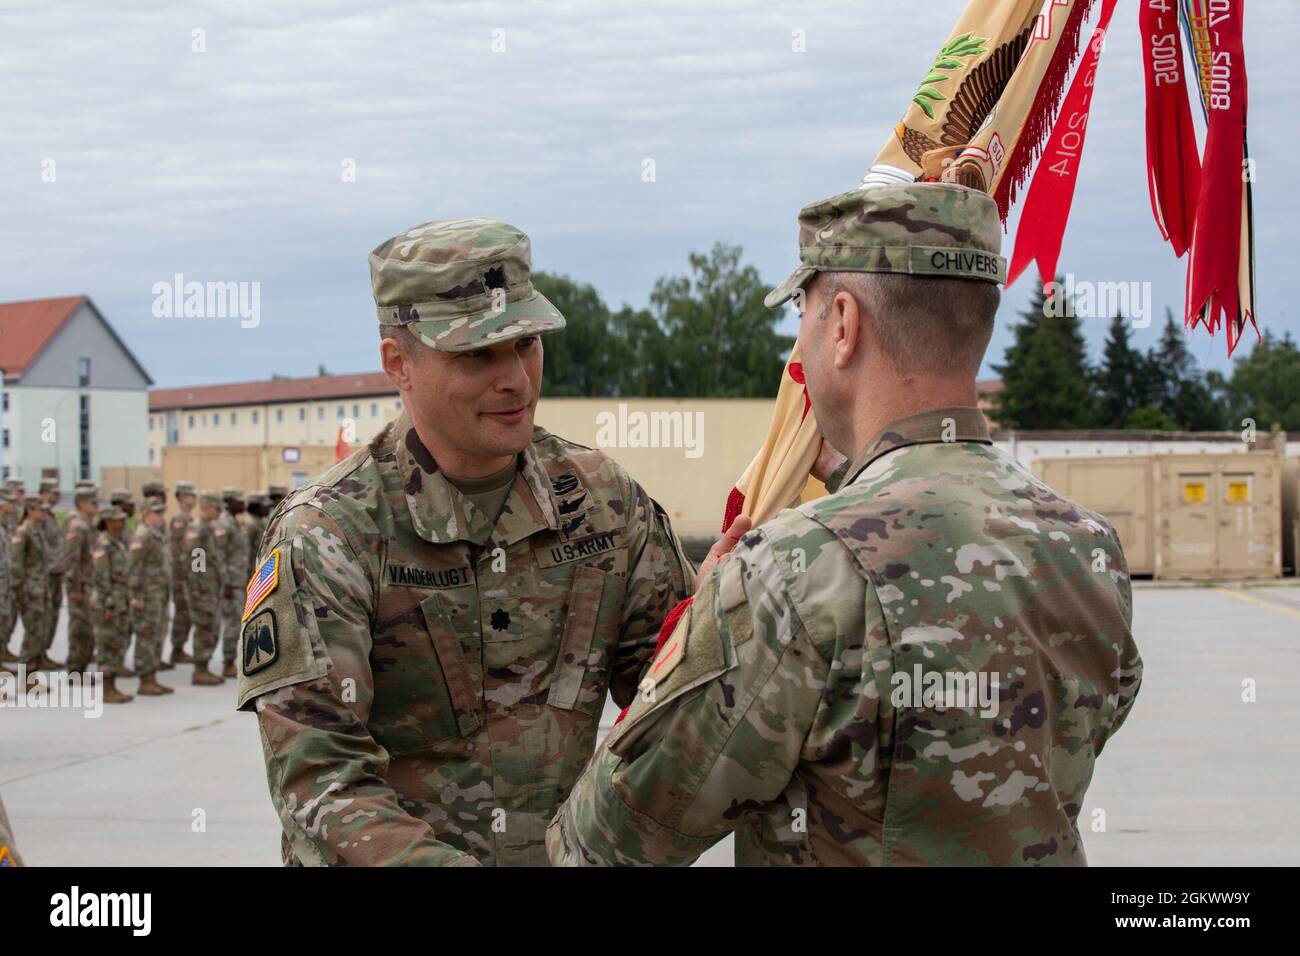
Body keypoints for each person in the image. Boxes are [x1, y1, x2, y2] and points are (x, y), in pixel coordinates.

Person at [547, 182, 1144, 867]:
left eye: (803, 314)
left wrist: (689, 639)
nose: (798, 348)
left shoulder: (792, 569)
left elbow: (604, 844)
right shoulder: (1088, 546)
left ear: (842, 324)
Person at [236, 217, 695, 866]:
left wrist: (737, 607)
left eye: (527, 344)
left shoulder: (603, 502)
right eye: (477, 354)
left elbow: (673, 703)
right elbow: (319, 780)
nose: (515, 378)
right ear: (399, 363)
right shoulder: (329, 533)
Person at [128, 501, 173, 695]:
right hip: (147, 594)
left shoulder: (156, 535)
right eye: (157, 513)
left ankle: (152, 676)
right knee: (146, 636)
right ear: (145, 513)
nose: (161, 516)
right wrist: (136, 595)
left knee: (157, 634)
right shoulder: (142, 535)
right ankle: (145, 679)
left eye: (162, 512)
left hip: (159, 594)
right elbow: (134, 567)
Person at [91, 506, 134, 704]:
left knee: (117, 642)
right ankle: (106, 689)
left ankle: (112, 685)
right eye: (118, 520)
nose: (122, 523)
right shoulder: (103, 544)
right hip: (106, 603)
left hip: (120, 601)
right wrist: (108, 603)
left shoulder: (118, 543)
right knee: (106, 644)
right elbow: (101, 577)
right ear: (108, 522)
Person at [185, 491, 226, 686]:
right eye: (217, 509)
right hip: (201, 589)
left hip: (209, 587)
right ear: (207, 508)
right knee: (203, 627)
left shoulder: (208, 528)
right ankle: (199, 670)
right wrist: (196, 587)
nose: (219, 513)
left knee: (211, 627)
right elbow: (195, 559)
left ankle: (204, 667)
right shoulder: (198, 528)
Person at [58, 486, 100, 673]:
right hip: (80, 586)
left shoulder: (88, 524)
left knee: (88, 630)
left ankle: (79, 668)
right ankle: (75, 670)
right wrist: (74, 588)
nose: (96, 506)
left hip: (89, 583)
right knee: (80, 630)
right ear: (82, 504)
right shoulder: (77, 526)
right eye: (93, 503)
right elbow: (71, 559)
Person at [11, 497, 53, 675]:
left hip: (40, 588)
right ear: (29, 510)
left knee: (40, 632)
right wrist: (21, 589)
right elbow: (16, 563)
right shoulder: (23, 531)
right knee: (32, 633)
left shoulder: (37, 530)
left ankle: (32, 673)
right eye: (40, 510)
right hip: (30, 590)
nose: (43, 513)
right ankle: (26, 675)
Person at [218, 488, 250, 678]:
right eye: (238, 501)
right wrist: (226, 582)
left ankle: (232, 660)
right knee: (232, 623)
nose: (242, 504)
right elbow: (219, 554)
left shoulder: (235, 523)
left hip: (240, 580)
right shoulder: (224, 524)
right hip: (232, 582)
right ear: (229, 502)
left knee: (238, 622)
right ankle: (227, 662)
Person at [167, 480, 198, 665]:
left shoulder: (190, 519)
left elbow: (196, 551)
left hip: (189, 573)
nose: (193, 499)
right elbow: (178, 549)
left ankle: (179, 647)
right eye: (190, 495)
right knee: (182, 613)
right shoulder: (180, 519)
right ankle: (176, 649)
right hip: (182, 574)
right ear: (181, 498)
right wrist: (179, 575)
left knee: (186, 613)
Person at [37, 478, 64, 661]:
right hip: (46, 572)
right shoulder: (41, 515)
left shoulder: (50, 515)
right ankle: (39, 653)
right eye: (54, 492)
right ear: (44, 493)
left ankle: (44, 651)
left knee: (53, 612)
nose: (58, 495)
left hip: (56, 571)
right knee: (44, 614)